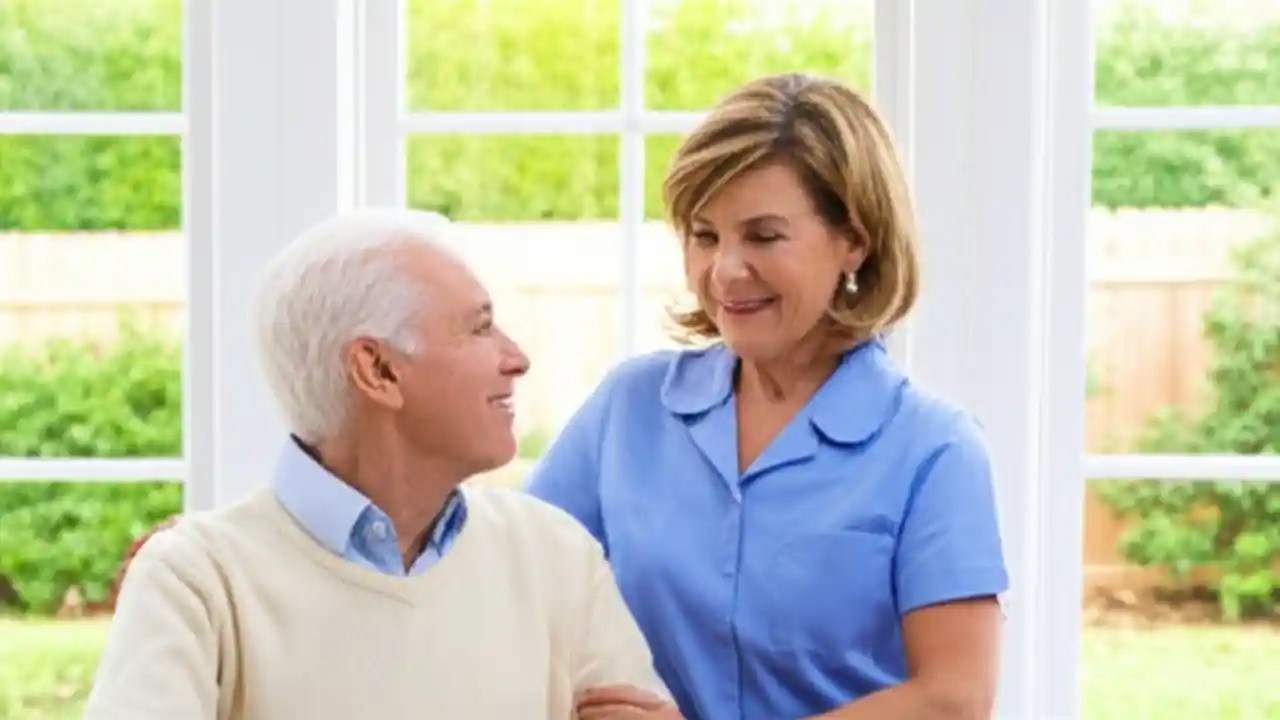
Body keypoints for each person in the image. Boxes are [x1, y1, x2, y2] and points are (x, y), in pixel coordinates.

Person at [525, 73, 1010, 720]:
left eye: (763, 235)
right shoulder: (630, 408)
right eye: (705, 236)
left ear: (854, 240)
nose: (725, 270)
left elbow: (954, 699)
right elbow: (514, 591)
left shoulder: (934, 448)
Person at [84, 209, 676, 720]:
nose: (516, 357)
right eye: (479, 328)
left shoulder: (555, 557)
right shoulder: (195, 579)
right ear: (378, 370)